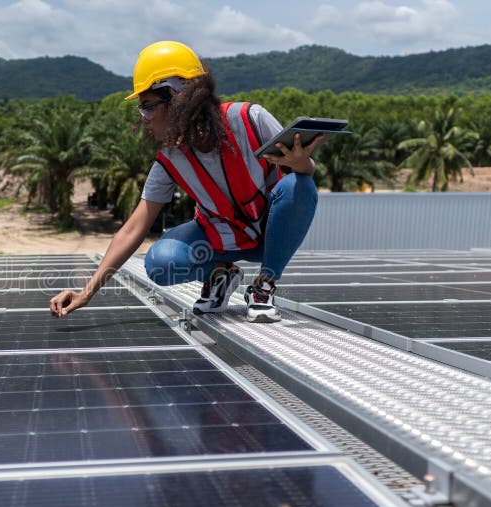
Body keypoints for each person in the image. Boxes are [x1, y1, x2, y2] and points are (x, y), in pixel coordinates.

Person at [50, 40, 321, 322]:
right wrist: (86, 292)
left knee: (298, 185)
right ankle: (220, 273)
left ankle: (264, 286)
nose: (144, 119)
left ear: (179, 99)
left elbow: (305, 179)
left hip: (269, 237)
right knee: (161, 263)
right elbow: (133, 228)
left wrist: (299, 162)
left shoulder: (250, 119)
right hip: (222, 242)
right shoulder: (169, 159)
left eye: (147, 107)